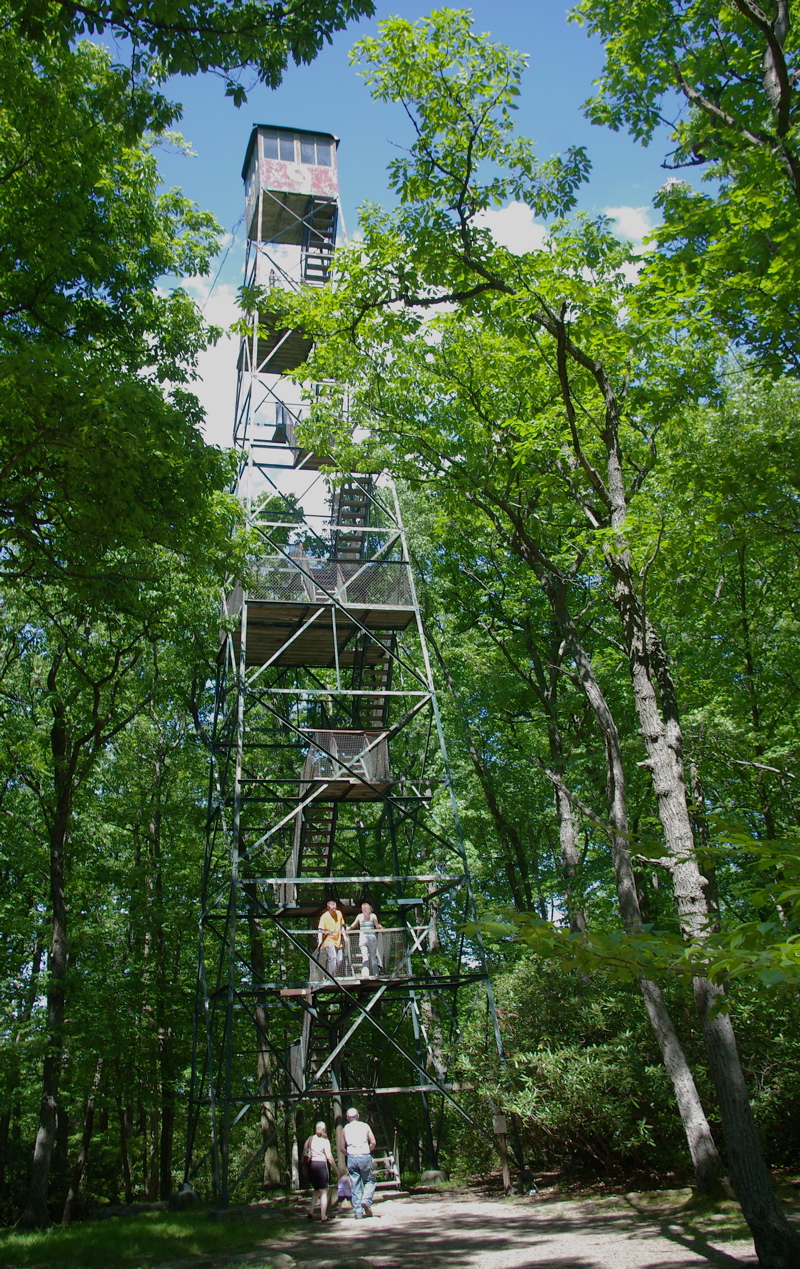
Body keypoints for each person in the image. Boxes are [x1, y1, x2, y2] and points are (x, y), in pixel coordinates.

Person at [342, 1106, 376, 1218]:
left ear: (347, 1118)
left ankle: (358, 1212)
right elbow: (373, 1142)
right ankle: (366, 1200)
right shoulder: (365, 1126)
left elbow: (342, 1147)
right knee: (370, 1181)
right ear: (358, 1116)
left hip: (352, 1156)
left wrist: (349, 1154)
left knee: (355, 1184)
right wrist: (367, 1150)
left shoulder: (345, 1129)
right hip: (364, 1155)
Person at [302, 1121, 335, 1222]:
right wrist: (336, 1169)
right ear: (324, 1129)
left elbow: (304, 1152)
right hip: (321, 1166)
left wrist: (304, 1166)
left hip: (311, 1166)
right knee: (324, 1191)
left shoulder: (310, 1139)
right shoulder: (325, 1141)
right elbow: (329, 1157)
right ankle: (323, 1215)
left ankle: (311, 1212)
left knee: (316, 1191)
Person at [348, 902, 383, 978]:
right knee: (373, 957)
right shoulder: (373, 916)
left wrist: (348, 929)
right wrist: (380, 927)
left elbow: (353, 925)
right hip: (372, 938)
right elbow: (377, 926)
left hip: (363, 938)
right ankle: (376, 974)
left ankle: (365, 974)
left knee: (365, 956)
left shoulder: (360, 916)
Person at [317, 898, 345, 977]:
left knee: (340, 959)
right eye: (332, 909)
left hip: (338, 940)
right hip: (328, 939)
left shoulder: (339, 913)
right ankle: (331, 976)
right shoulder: (324, 917)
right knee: (333, 957)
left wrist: (344, 936)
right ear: (328, 908)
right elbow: (320, 930)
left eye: (335, 908)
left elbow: (342, 925)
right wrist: (320, 942)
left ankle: (334, 973)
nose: (334, 910)